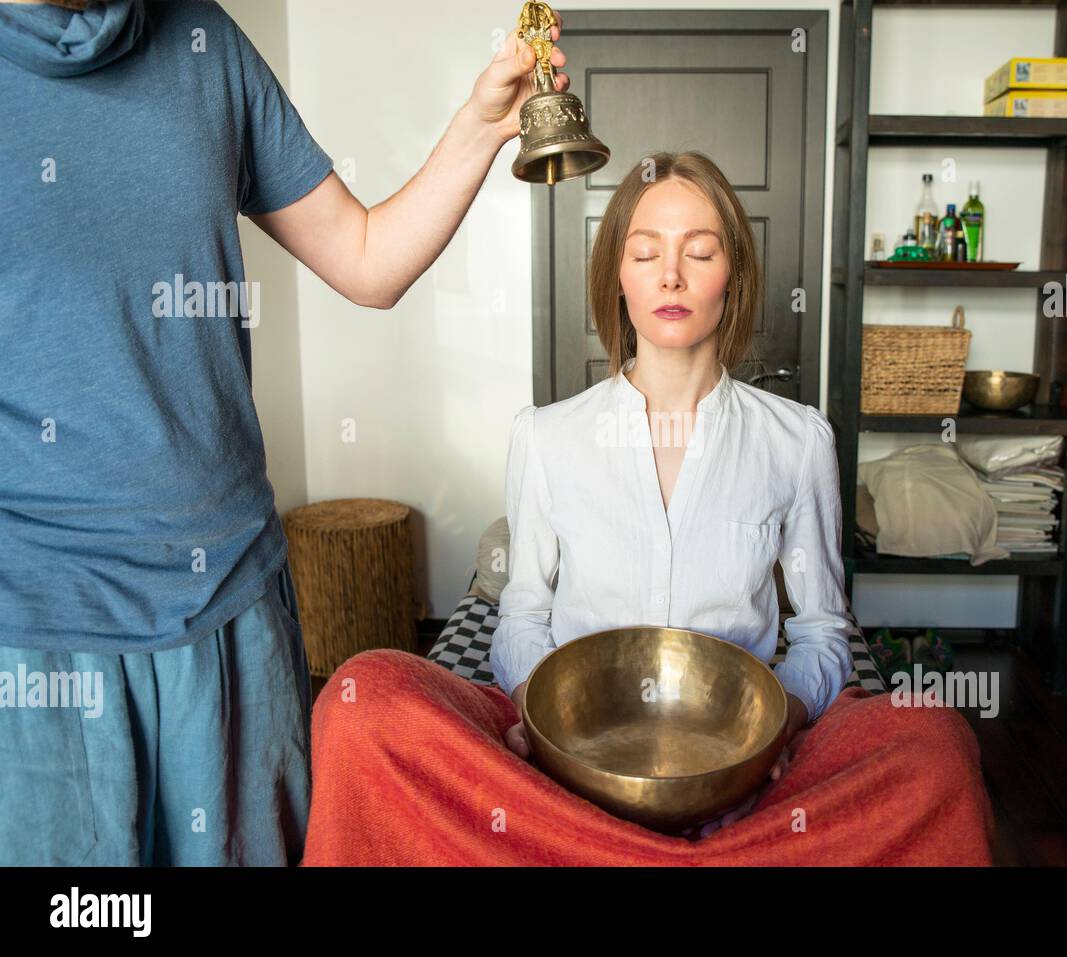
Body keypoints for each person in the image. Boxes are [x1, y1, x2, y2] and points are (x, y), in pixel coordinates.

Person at [301, 153, 997, 865]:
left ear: (734, 276)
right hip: (568, 782)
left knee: (936, 741)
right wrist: (543, 731)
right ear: (619, 279)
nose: (672, 275)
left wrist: (777, 727)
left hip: (746, 783)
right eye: (645, 253)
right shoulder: (545, 435)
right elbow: (523, 616)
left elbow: (821, 630)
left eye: (700, 251)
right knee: (362, 699)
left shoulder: (797, 440)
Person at [0, 0, 567, 865]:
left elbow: (368, 259)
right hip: (40, 631)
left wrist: (480, 128)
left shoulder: (203, 39)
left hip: (233, 603)